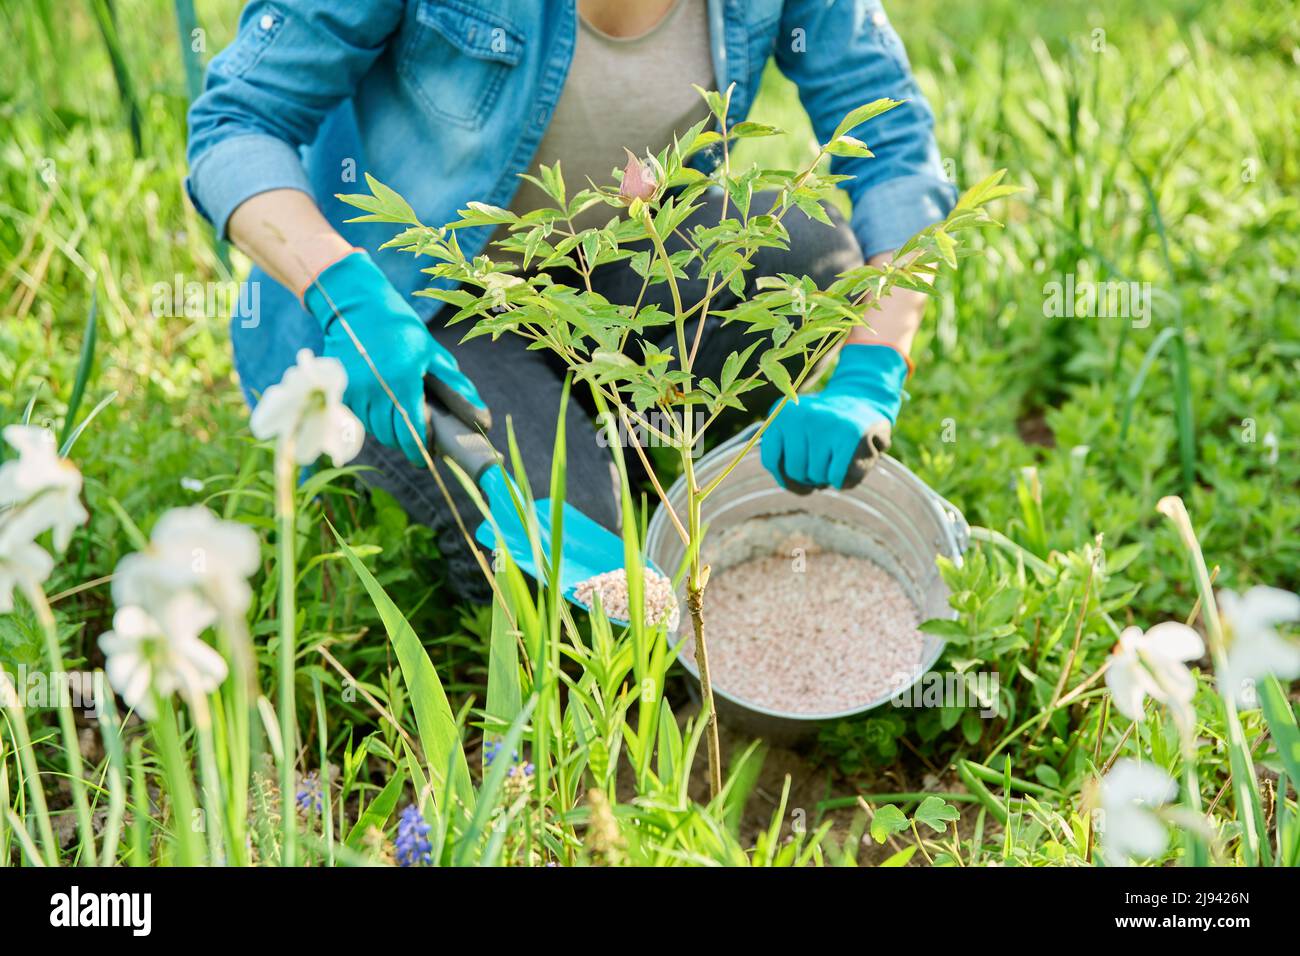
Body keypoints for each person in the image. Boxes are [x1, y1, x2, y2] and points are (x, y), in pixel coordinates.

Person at [186, 0, 955, 597]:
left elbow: (894, 150)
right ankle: (546, 462)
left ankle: (608, 438)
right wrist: (346, 295)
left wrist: (870, 375)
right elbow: (237, 122)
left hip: (606, 283)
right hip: (418, 314)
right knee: (586, 603)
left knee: (809, 257)